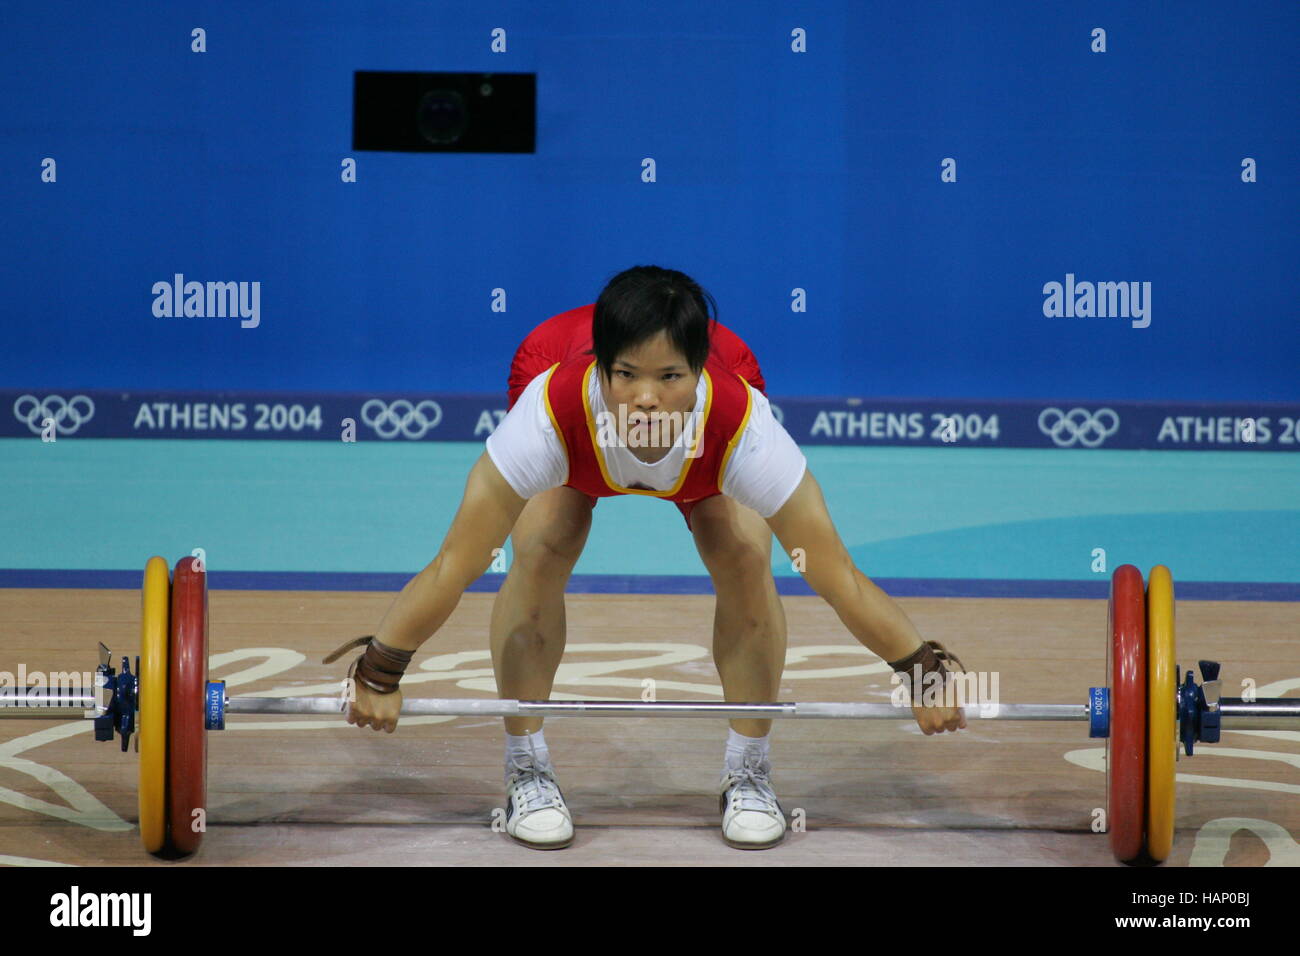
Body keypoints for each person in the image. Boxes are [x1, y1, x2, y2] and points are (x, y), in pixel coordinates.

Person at [331, 265, 966, 852]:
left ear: (700, 371)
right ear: (602, 368)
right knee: (544, 542)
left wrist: (923, 671)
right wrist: (380, 670)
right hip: (559, 373)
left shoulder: (740, 423)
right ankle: (525, 763)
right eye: (627, 374)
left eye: (670, 377)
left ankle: (747, 772)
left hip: (710, 434)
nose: (646, 399)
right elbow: (455, 564)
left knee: (744, 556)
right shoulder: (551, 412)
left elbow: (838, 576)